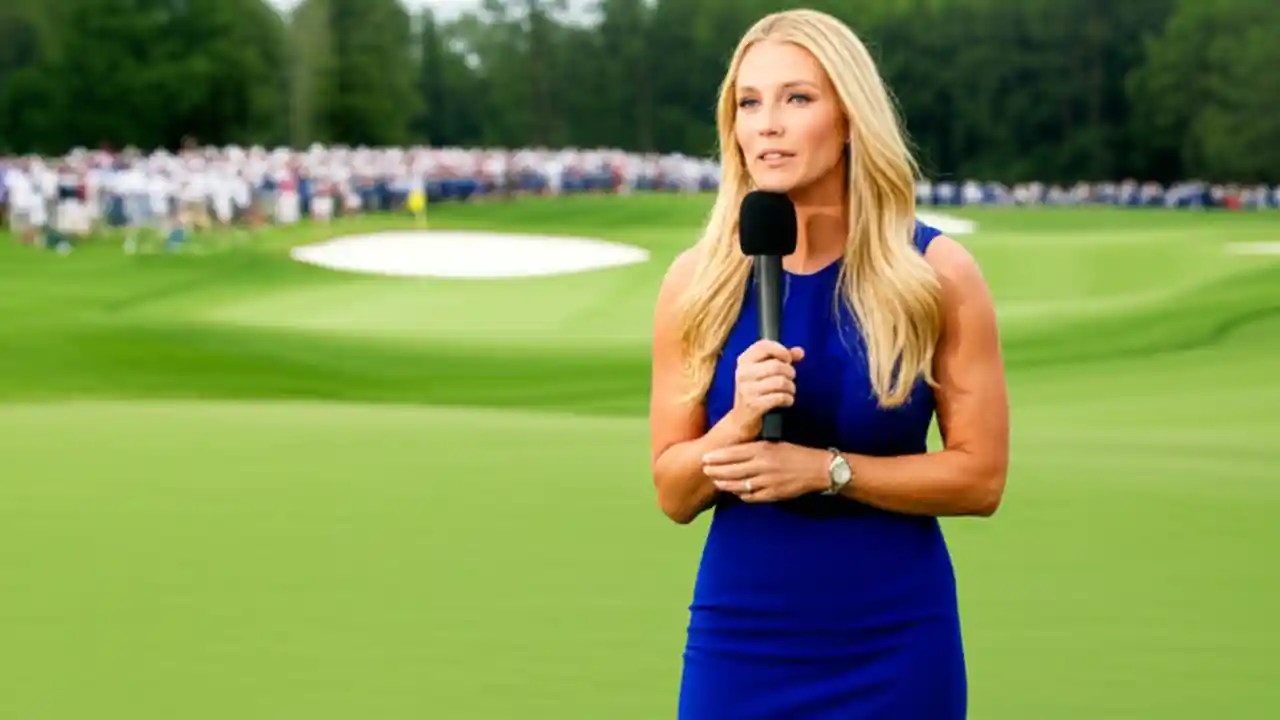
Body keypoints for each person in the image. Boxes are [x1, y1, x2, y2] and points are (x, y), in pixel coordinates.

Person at [648, 10, 1009, 718]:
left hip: (894, 641)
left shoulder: (936, 272)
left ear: (849, 119)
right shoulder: (697, 283)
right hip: (742, 641)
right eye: (749, 103)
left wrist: (827, 471)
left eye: (797, 98)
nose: (768, 124)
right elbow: (672, 491)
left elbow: (981, 477)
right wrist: (739, 423)